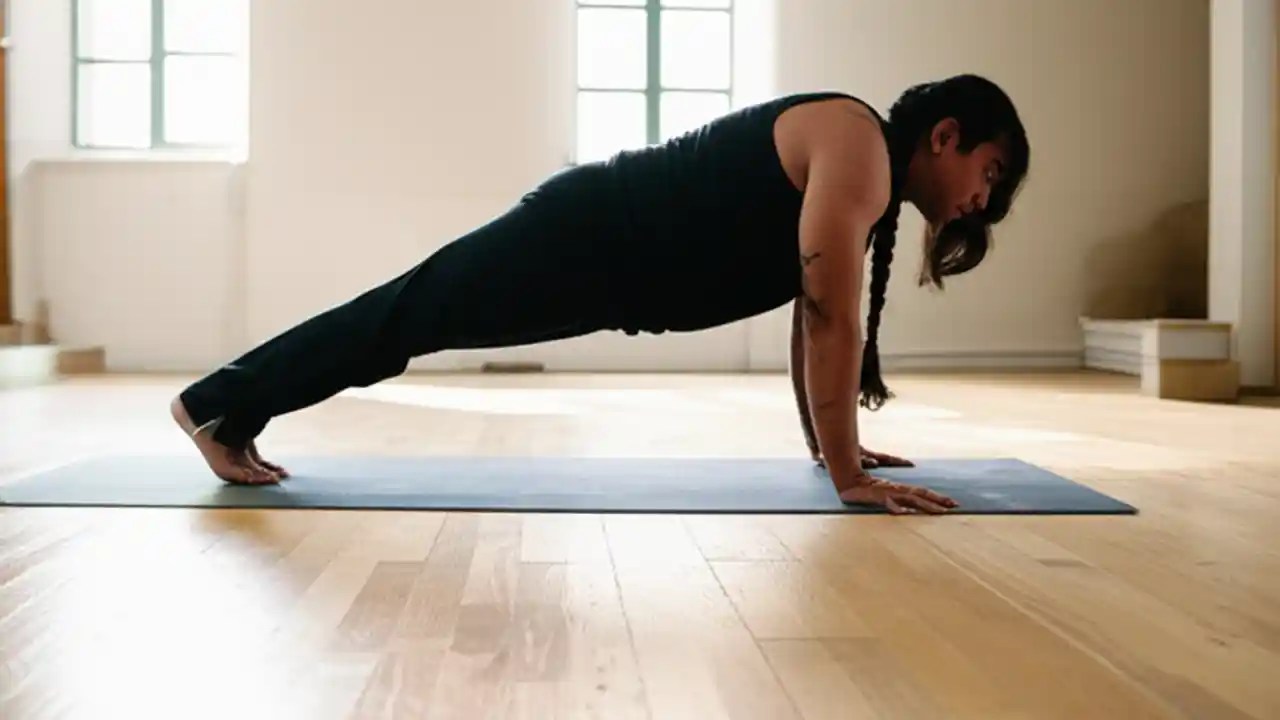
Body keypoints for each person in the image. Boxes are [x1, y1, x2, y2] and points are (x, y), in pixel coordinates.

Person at [170, 74, 1030, 515]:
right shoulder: (855, 141)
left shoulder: (865, 177)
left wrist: (828, 451)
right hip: (583, 237)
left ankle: (227, 408)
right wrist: (845, 474)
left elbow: (815, 319)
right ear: (944, 135)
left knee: (411, 320)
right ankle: (215, 405)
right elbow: (827, 314)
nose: (980, 201)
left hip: (607, 274)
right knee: (409, 314)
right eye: (987, 174)